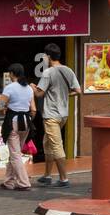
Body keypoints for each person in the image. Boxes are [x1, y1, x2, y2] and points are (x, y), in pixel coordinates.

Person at [33, 44, 81, 185]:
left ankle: (63, 178)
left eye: (45, 56)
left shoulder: (48, 72)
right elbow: (78, 91)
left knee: (56, 146)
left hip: (51, 115)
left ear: (48, 57)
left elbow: (40, 94)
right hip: (63, 115)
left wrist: (32, 87)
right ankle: (47, 176)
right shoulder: (68, 70)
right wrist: (65, 94)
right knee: (47, 143)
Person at [0, 65, 34, 192]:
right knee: (15, 152)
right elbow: (34, 110)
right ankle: (8, 182)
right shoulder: (29, 88)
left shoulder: (10, 88)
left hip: (13, 122)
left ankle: (23, 182)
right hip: (26, 122)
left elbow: (0, 105)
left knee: (15, 154)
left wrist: (0, 109)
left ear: (11, 74)